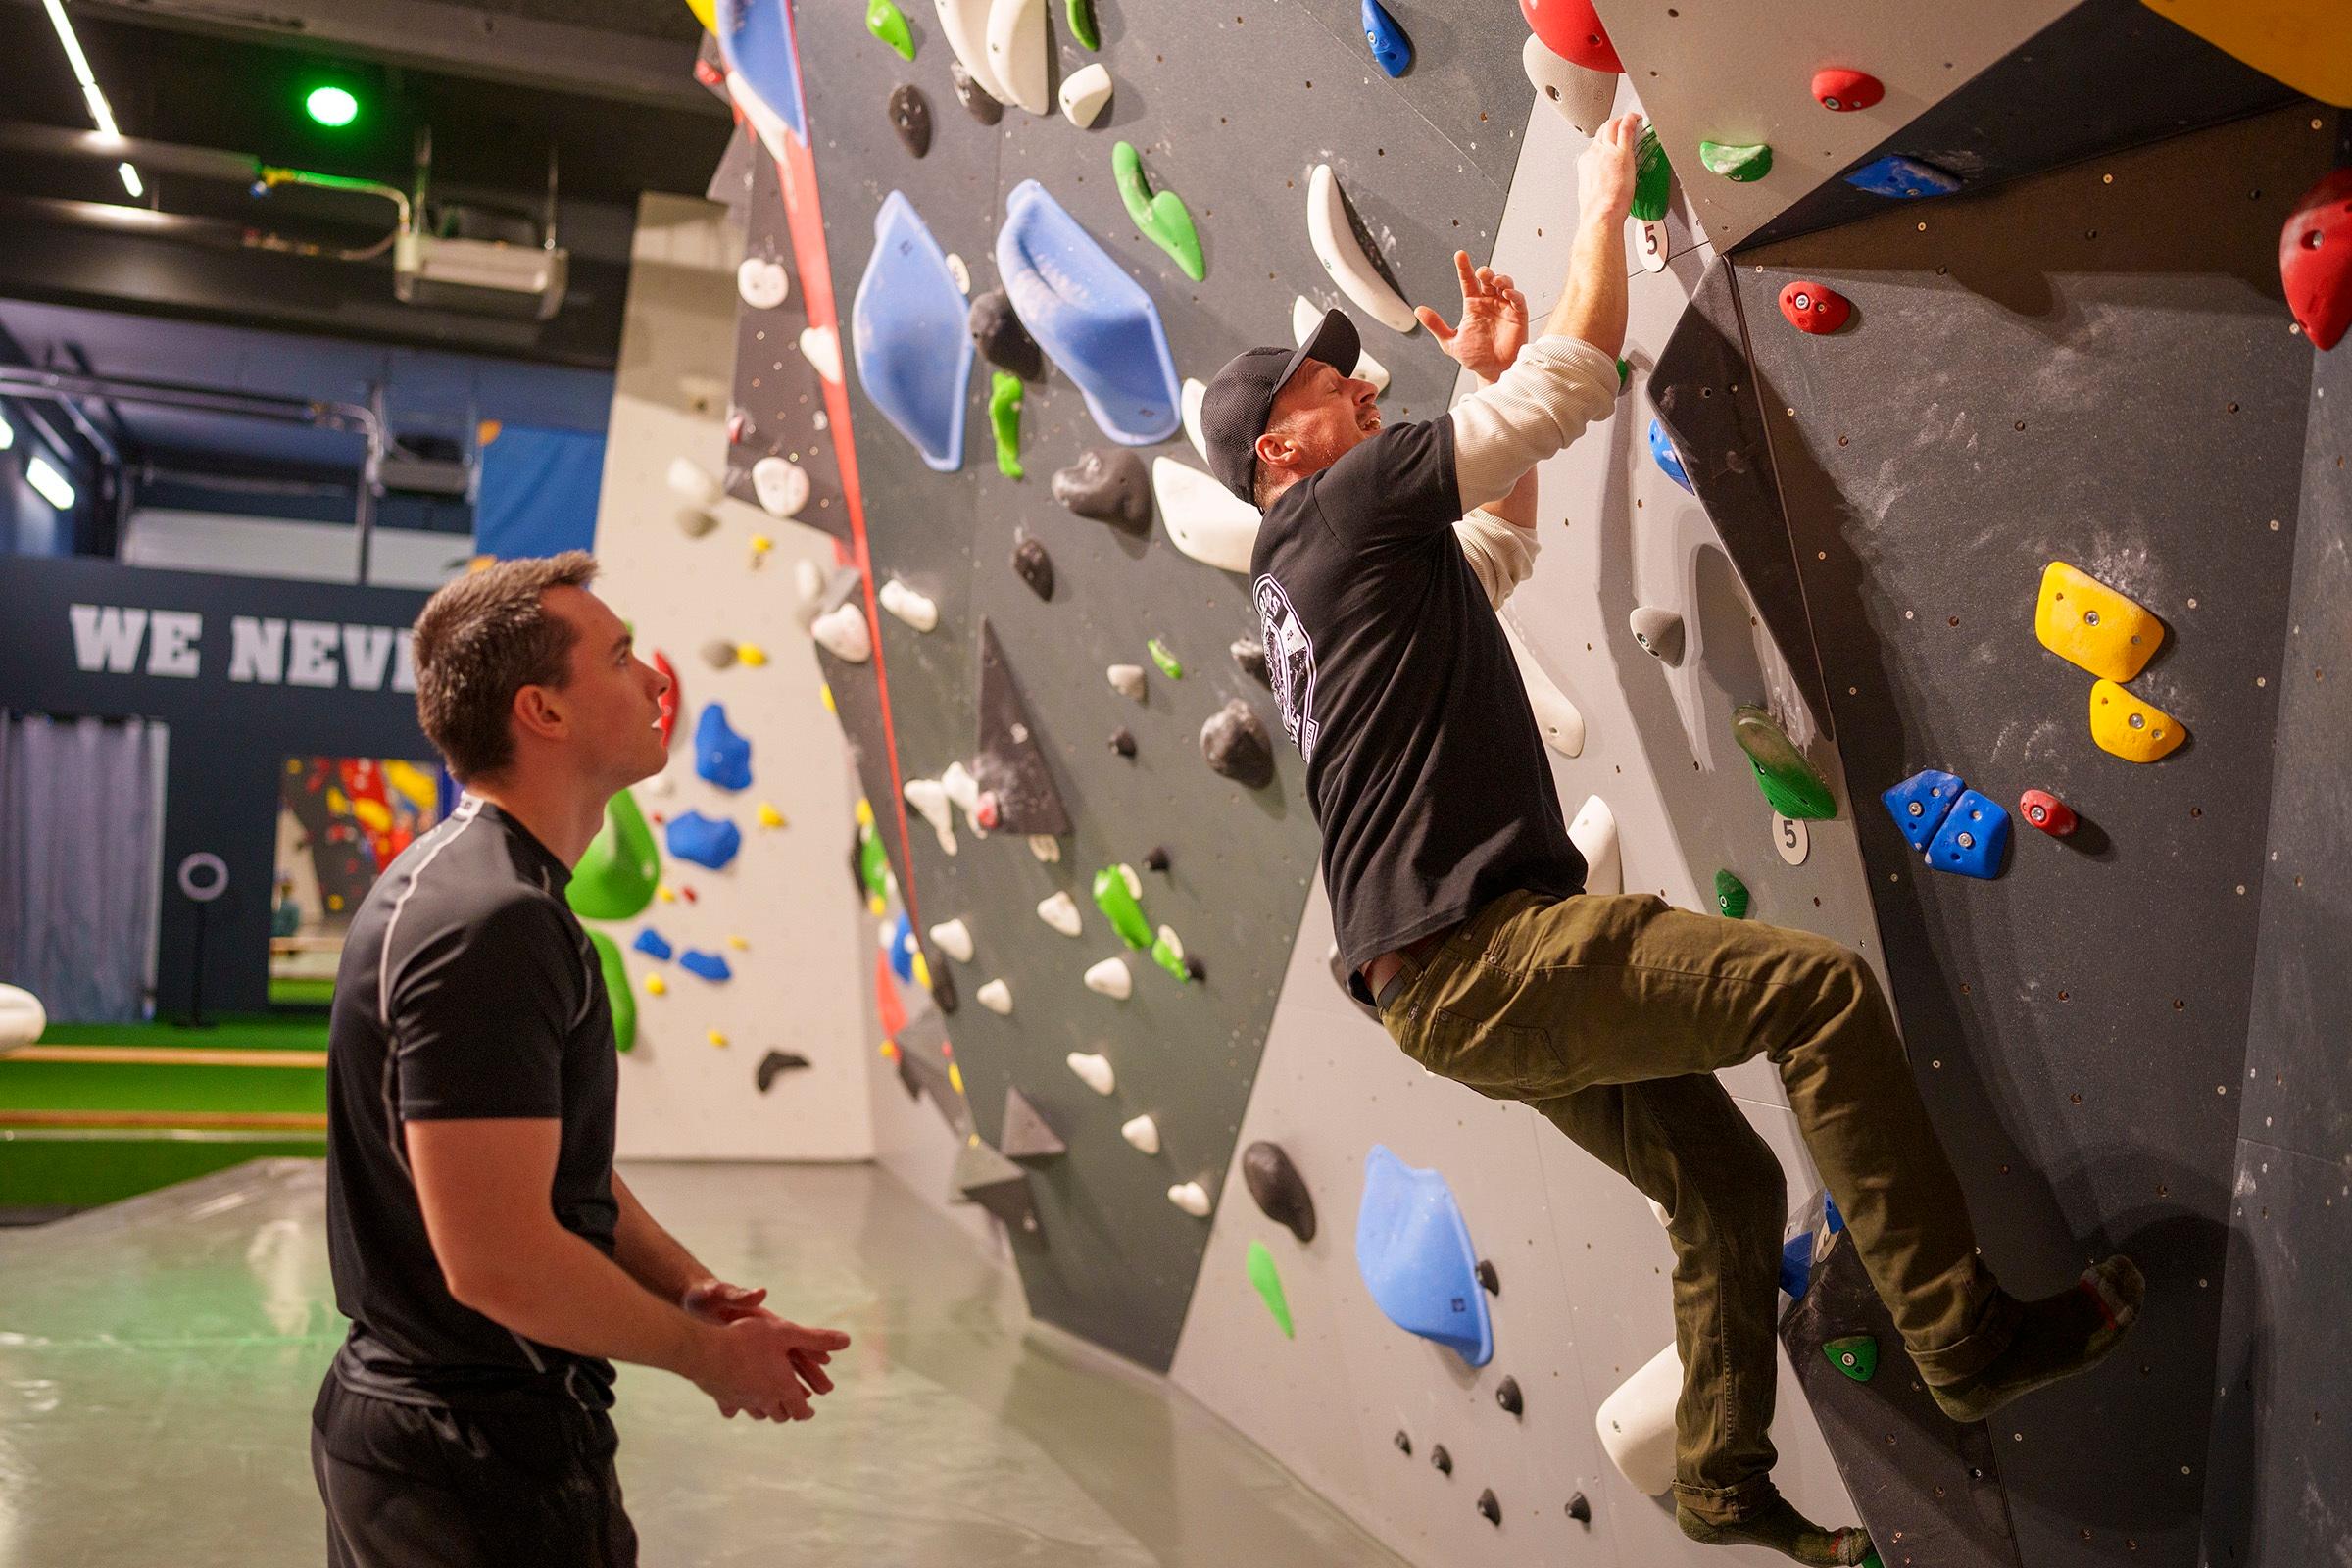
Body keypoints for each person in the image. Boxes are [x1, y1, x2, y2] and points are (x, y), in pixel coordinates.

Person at [1200, 114, 2142, 1566]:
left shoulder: (1306, 570)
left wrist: (1481, 375)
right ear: (1285, 446)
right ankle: (1962, 1339)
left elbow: (1490, 550)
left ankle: (1718, 1482)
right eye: (1344, 382)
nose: (1370, 385)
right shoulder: (1339, 505)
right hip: (1490, 958)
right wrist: (1591, 210)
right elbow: (1573, 393)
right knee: (1816, 995)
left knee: (1726, 1188)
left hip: (1437, 992)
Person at [311, 552, 850, 1566]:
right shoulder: (492, 923)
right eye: (619, 657)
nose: (653, 681)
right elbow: (501, 1256)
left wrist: (686, 1285)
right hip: (470, 1461)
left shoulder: (475, 888)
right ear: (542, 712)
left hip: (449, 1439)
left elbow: (546, 1162)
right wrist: (710, 1360)